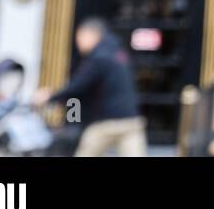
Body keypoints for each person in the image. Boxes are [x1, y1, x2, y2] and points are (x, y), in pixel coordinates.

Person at [33, 17, 147, 157]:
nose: (78, 42)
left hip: (106, 123)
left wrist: (49, 96)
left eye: (80, 36)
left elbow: (78, 87)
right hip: (131, 121)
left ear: (91, 35)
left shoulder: (98, 57)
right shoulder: (118, 53)